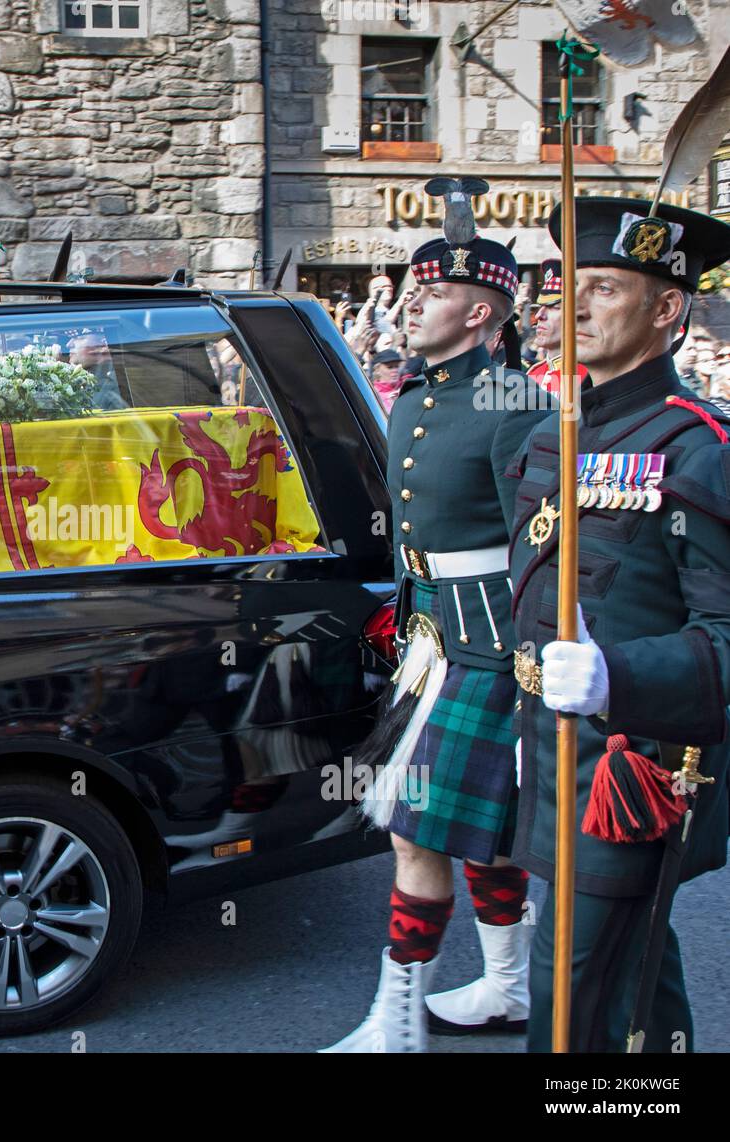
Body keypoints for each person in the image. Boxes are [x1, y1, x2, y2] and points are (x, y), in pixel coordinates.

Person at [322, 180, 551, 1053]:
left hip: (494, 649)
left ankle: (399, 1023)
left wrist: (535, 672)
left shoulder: (515, 403)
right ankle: (503, 987)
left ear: (484, 312)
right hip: (434, 643)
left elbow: (540, 551)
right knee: (480, 841)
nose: (414, 300)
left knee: (414, 831)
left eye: (438, 291)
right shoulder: (414, 398)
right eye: (413, 286)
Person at [506, 197, 730, 1053]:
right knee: (632, 979)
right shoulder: (547, 440)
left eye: (603, 288)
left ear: (667, 309)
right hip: (548, 753)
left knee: (570, 1002)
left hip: (633, 775)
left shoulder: (698, 448)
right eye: (569, 287)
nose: (575, 308)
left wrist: (618, 678)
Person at [526, 260, 589, 397]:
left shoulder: (590, 376)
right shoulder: (533, 373)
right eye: (540, 307)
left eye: (554, 307)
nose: (539, 315)